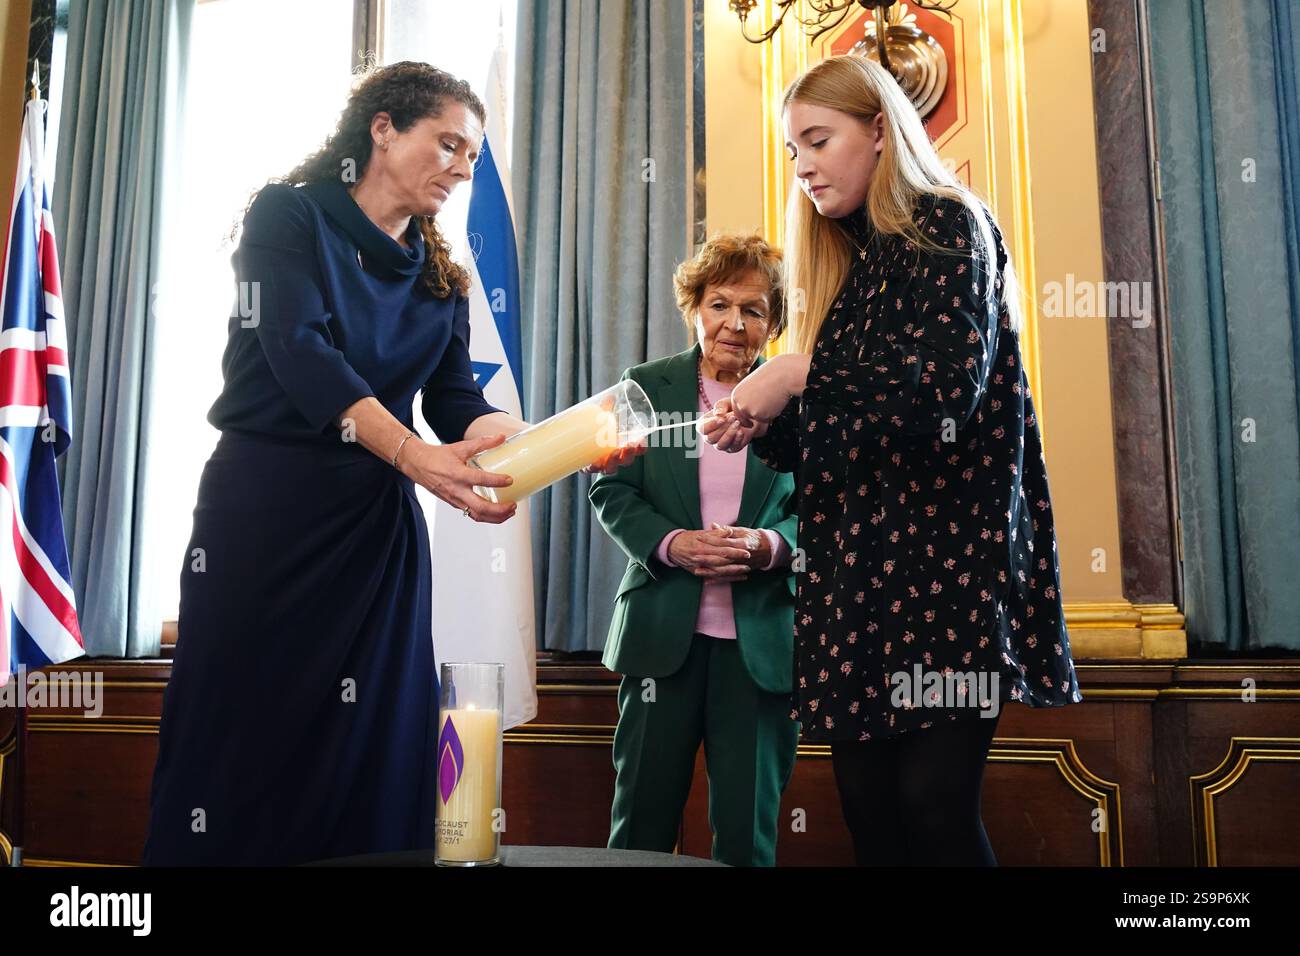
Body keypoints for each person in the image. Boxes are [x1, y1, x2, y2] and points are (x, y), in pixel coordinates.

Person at [142, 62, 637, 865]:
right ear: (382, 127)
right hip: (264, 515)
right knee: (241, 722)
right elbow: (301, 352)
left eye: (472, 157)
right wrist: (416, 456)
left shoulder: (444, 277)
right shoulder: (287, 215)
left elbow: (457, 406)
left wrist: (563, 447)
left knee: (376, 732)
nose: (463, 168)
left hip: (375, 534)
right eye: (448, 144)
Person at [700, 54, 1082, 866]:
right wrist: (761, 423)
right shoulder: (849, 267)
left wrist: (799, 373)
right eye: (791, 149)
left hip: (945, 575)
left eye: (817, 139)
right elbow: (836, 446)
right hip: (856, 585)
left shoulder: (947, 222)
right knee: (870, 814)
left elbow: (945, 396)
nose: (800, 165)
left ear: (879, 131)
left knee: (934, 812)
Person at [589, 234, 800, 867]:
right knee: (639, 829)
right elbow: (611, 487)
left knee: (746, 836)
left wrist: (769, 546)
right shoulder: (643, 387)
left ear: (774, 323)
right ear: (695, 309)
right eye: (719, 304)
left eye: (754, 310)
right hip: (661, 640)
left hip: (760, 644)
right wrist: (672, 543)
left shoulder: (797, 397)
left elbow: (832, 512)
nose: (734, 323)